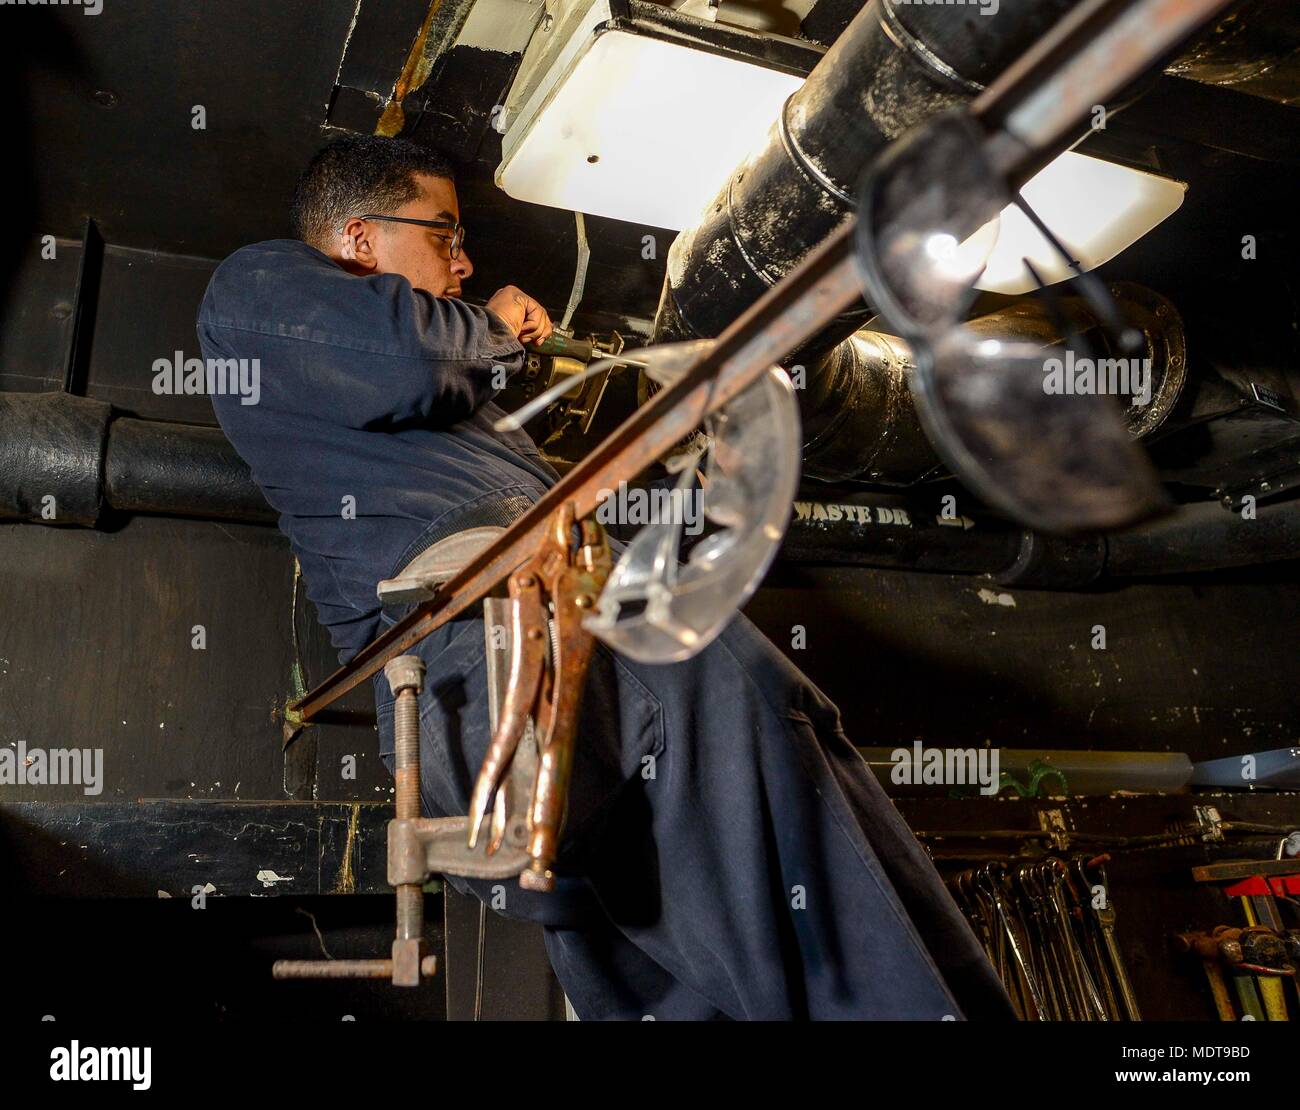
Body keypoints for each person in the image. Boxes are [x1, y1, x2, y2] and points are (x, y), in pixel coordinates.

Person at [198, 134, 1013, 1020]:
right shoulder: (258, 286)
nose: (465, 265)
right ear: (357, 238)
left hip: (528, 670)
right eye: (445, 235)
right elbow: (411, 357)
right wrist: (502, 330)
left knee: (671, 956)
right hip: (497, 655)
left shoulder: (450, 437)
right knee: (767, 765)